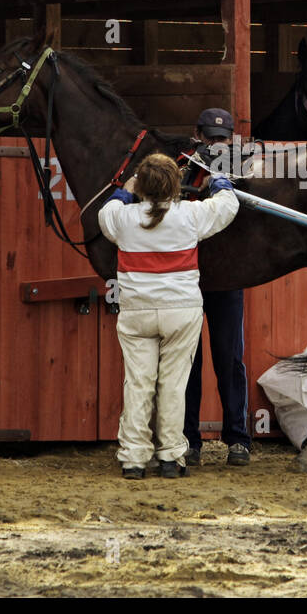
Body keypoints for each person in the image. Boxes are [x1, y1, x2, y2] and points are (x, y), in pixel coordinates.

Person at [99, 152, 239, 479]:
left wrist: (126, 190)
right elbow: (227, 206)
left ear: (142, 186)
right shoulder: (190, 214)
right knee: (174, 385)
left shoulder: (122, 217)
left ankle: (133, 459)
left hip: (137, 313)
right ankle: (171, 457)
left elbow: (106, 212)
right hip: (181, 311)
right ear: (175, 185)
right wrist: (217, 181)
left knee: (138, 383)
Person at [179, 108, 253, 467]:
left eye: (223, 139)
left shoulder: (244, 169)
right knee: (188, 363)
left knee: (229, 360)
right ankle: (189, 440)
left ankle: (238, 439)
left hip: (226, 280)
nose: (217, 144)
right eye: (212, 138)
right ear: (198, 135)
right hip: (187, 278)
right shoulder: (179, 168)